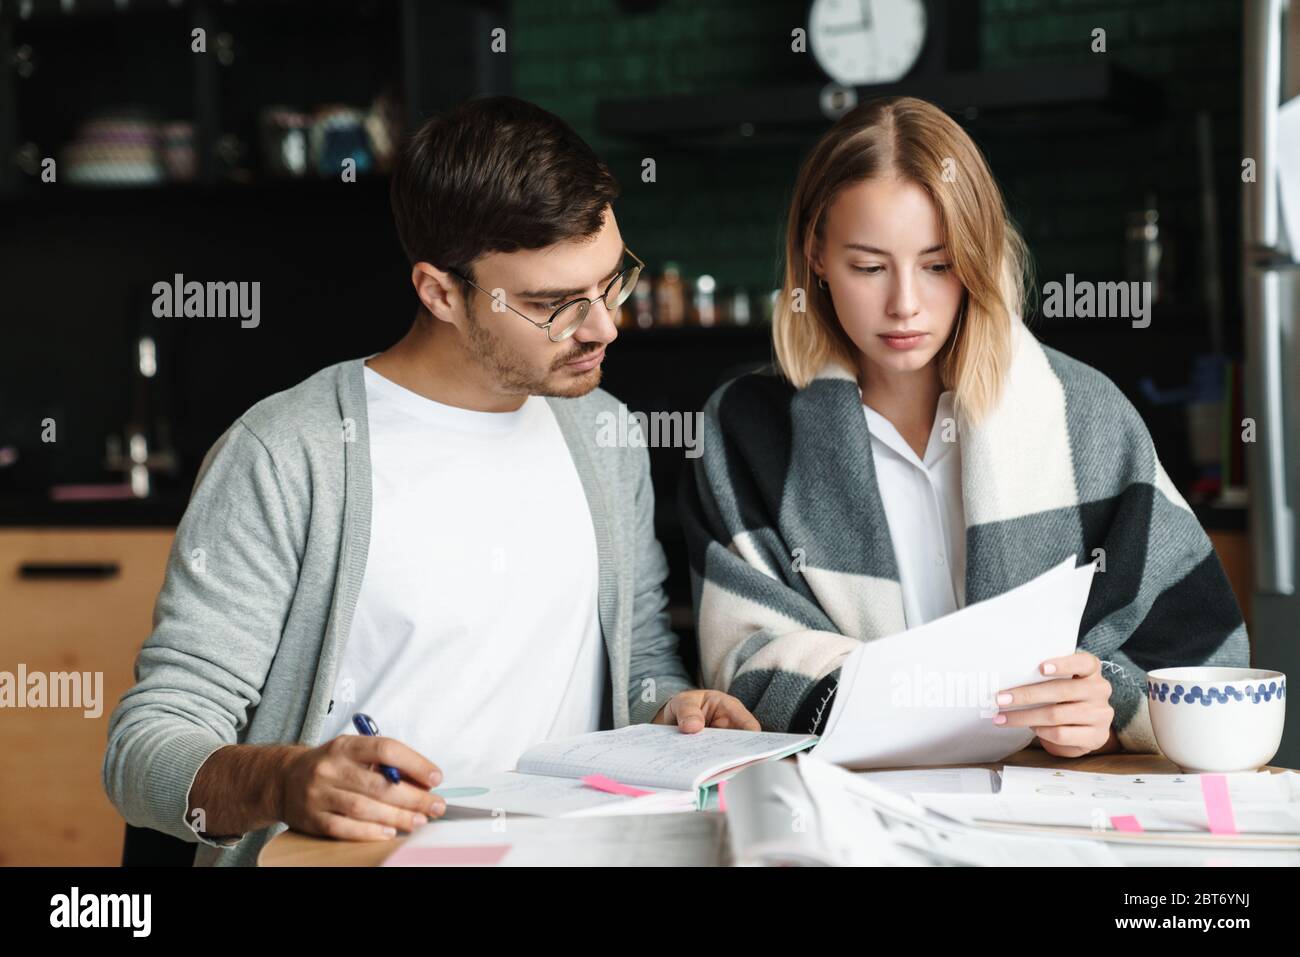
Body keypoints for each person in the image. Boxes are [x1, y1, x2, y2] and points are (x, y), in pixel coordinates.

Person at [104, 95, 758, 867]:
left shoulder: (600, 432)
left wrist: (670, 710)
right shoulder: (289, 454)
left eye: (611, 282)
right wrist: (285, 780)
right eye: (555, 305)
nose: (603, 327)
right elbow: (142, 749)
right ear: (439, 292)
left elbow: (641, 651)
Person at [679, 96, 1247, 755]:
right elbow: (742, 658)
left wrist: (1107, 703)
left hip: (1042, 813)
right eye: (867, 266)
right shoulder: (746, 428)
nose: (905, 304)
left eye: (939, 264)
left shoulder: (1084, 415)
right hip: (842, 811)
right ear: (815, 255)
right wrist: (907, 706)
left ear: (978, 255)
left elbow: (1207, 657)